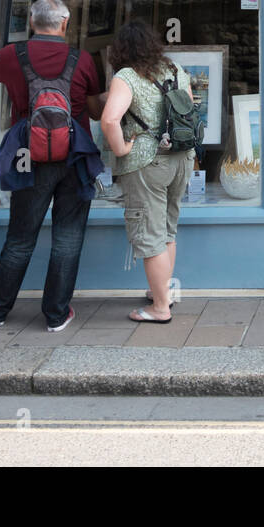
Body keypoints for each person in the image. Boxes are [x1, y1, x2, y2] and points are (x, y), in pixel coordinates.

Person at [0, 0, 104, 332]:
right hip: (75, 158)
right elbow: (94, 110)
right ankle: (56, 315)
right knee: (68, 238)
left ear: (32, 23)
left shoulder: (13, 55)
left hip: (28, 158)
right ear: (64, 23)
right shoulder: (83, 59)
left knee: (20, 237)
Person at [99, 21, 196, 323]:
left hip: (147, 163)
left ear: (121, 49)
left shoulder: (127, 76)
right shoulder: (175, 69)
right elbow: (190, 110)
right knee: (167, 230)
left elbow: (109, 121)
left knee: (151, 235)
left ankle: (160, 309)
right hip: (182, 157)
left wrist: (121, 150)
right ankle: (161, 294)